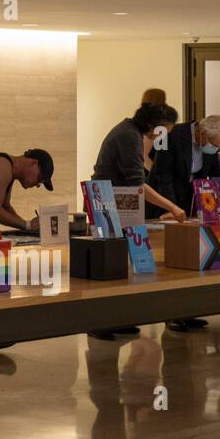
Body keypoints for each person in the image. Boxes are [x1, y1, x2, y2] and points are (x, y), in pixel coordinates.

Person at [148, 113, 220, 332]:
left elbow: (217, 176)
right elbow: (163, 175)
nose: (215, 150)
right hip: (164, 204)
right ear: (202, 133)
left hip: (188, 206)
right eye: (215, 145)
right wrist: (171, 208)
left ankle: (187, 312)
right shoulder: (172, 135)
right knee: (172, 264)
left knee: (190, 259)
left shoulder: (210, 147)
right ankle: (172, 315)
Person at [88, 102, 181, 341]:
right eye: (164, 130)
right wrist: (171, 206)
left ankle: (117, 319)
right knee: (108, 266)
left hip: (115, 201)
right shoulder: (129, 136)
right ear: (153, 124)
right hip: (106, 203)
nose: (164, 135)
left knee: (120, 267)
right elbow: (136, 183)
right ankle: (100, 322)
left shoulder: (130, 131)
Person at [139, 88, 168, 172]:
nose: (166, 104)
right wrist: (157, 175)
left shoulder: (159, 123)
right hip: (149, 176)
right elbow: (144, 156)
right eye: (164, 101)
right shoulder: (149, 124)